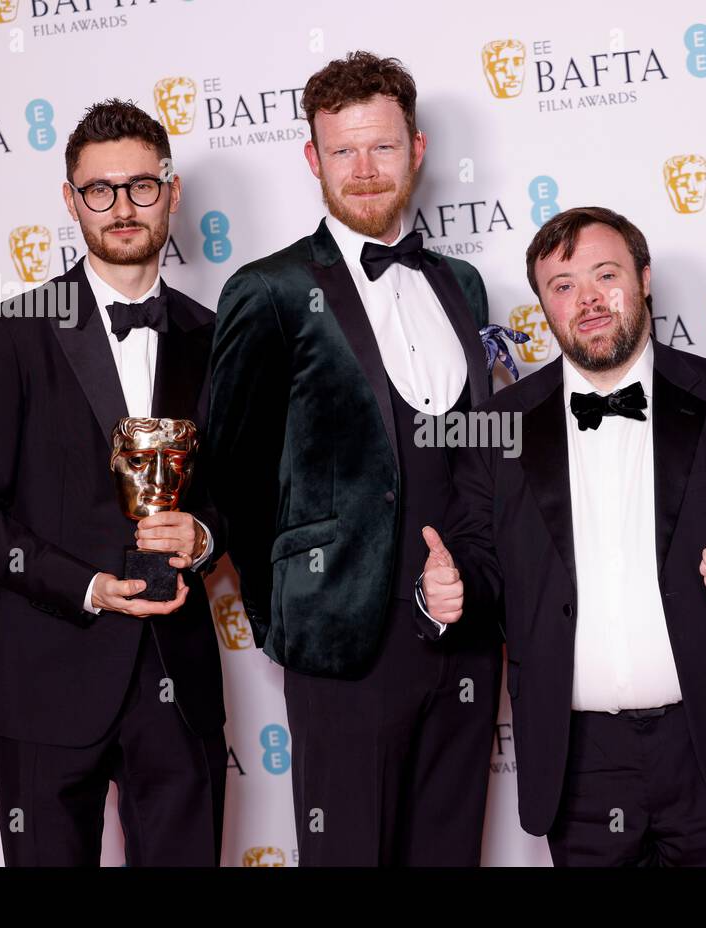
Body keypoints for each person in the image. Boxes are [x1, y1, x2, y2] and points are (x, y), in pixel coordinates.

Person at [419, 207, 706, 866]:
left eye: (605, 274)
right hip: (578, 766)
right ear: (544, 306)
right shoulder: (498, 425)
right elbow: (477, 557)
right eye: (562, 285)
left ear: (644, 279)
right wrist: (446, 590)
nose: (587, 299)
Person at [209, 52, 500, 866]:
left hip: (464, 627)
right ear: (313, 159)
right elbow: (229, 473)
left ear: (418, 147)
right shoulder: (267, 290)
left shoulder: (464, 285)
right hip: (343, 640)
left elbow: (480, 454)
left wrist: (476, 583)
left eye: (382, 147)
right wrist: (288, 618)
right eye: (343, 151)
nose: (365, 171)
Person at [0, 99, 227, 866]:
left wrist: (205, 535)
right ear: (71, 200)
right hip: (44, 677)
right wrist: (86, 584)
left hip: (178, 680)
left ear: (173, 189)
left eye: (140, 186)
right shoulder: (7, 335)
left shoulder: (218, 336)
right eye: (100, 190)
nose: (122, 208)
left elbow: (242, 493)